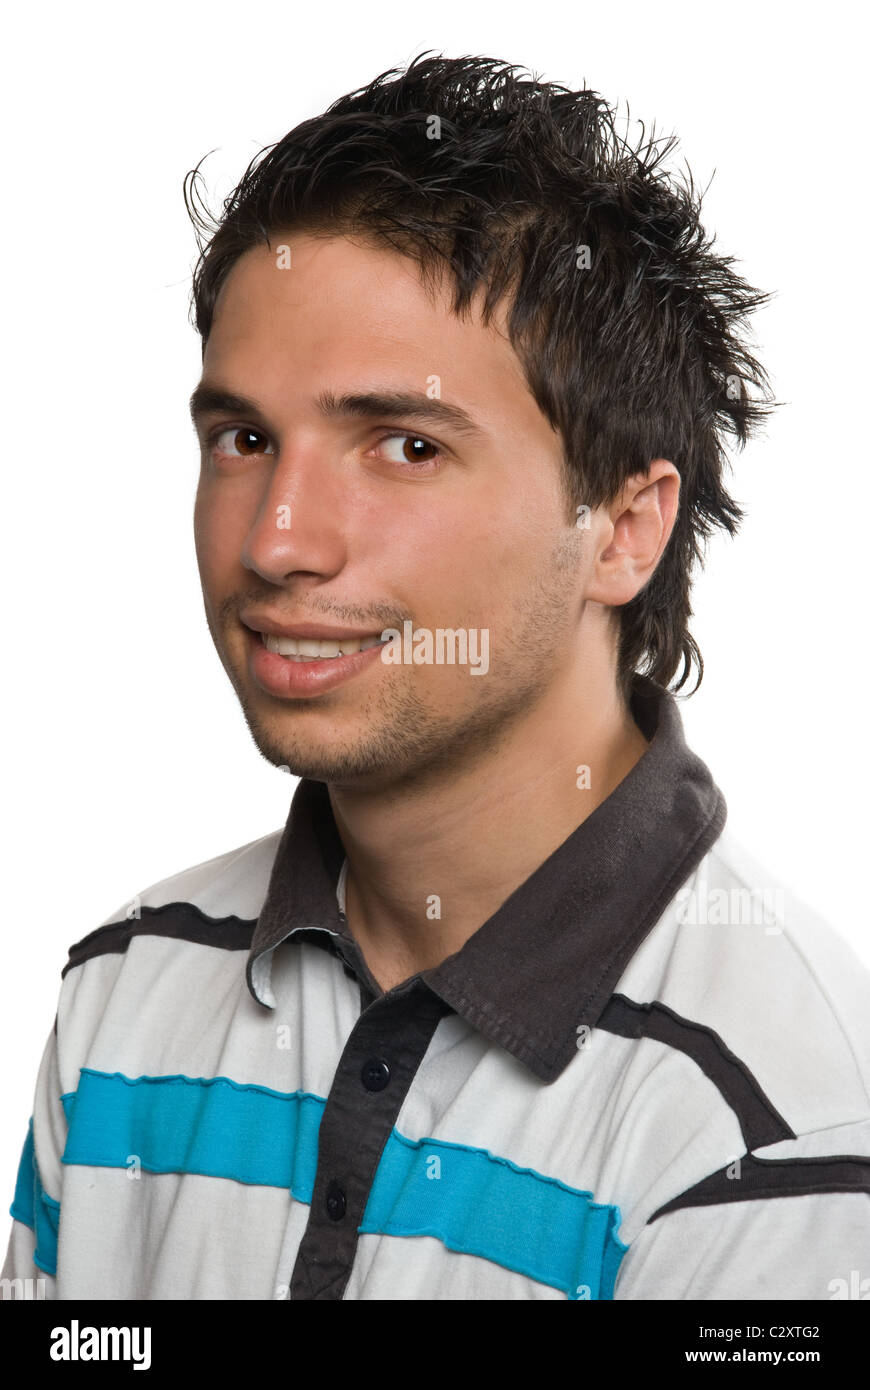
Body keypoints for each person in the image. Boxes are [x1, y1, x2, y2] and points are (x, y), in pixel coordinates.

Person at [4, 52, 868, 1302]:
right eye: (245, 439)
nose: (277, 539)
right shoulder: (127, 989)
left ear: (622, 529)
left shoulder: (772, 1125)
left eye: (404, 445)